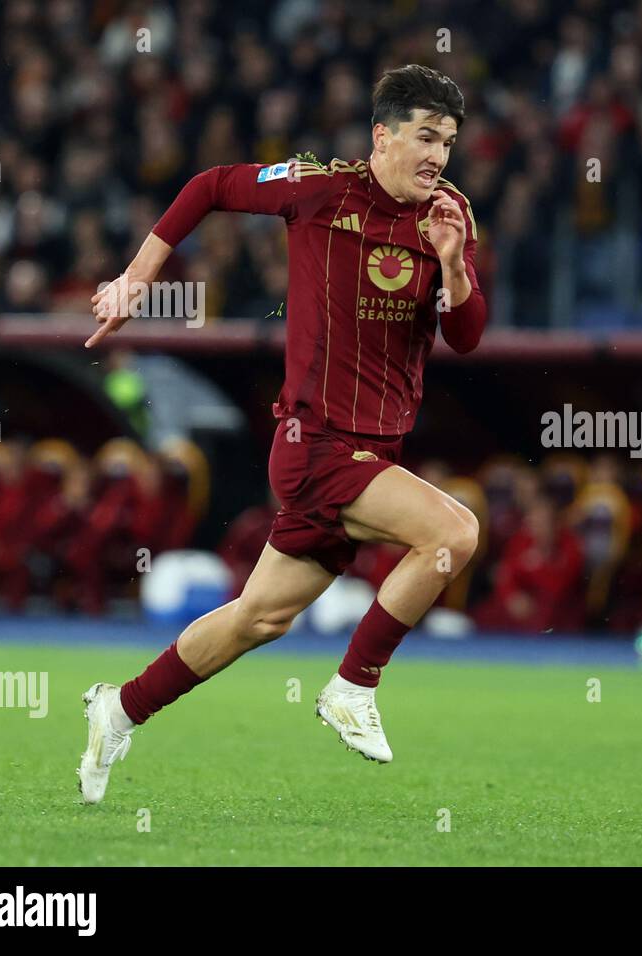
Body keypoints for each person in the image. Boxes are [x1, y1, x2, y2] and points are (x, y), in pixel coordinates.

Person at [77, 64, 487, 804]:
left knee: (258, 617)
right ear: (382, 136)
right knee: (452, 533)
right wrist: (138, 277)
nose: (437, 156)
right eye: (425, 137)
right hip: (316, 444)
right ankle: (354, 687)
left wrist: (455, 267)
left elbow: (467, 336)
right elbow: (208, 186)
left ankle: (120, 707)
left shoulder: (449, 215)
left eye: (449, 142)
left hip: (371, 451)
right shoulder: (317, 188)